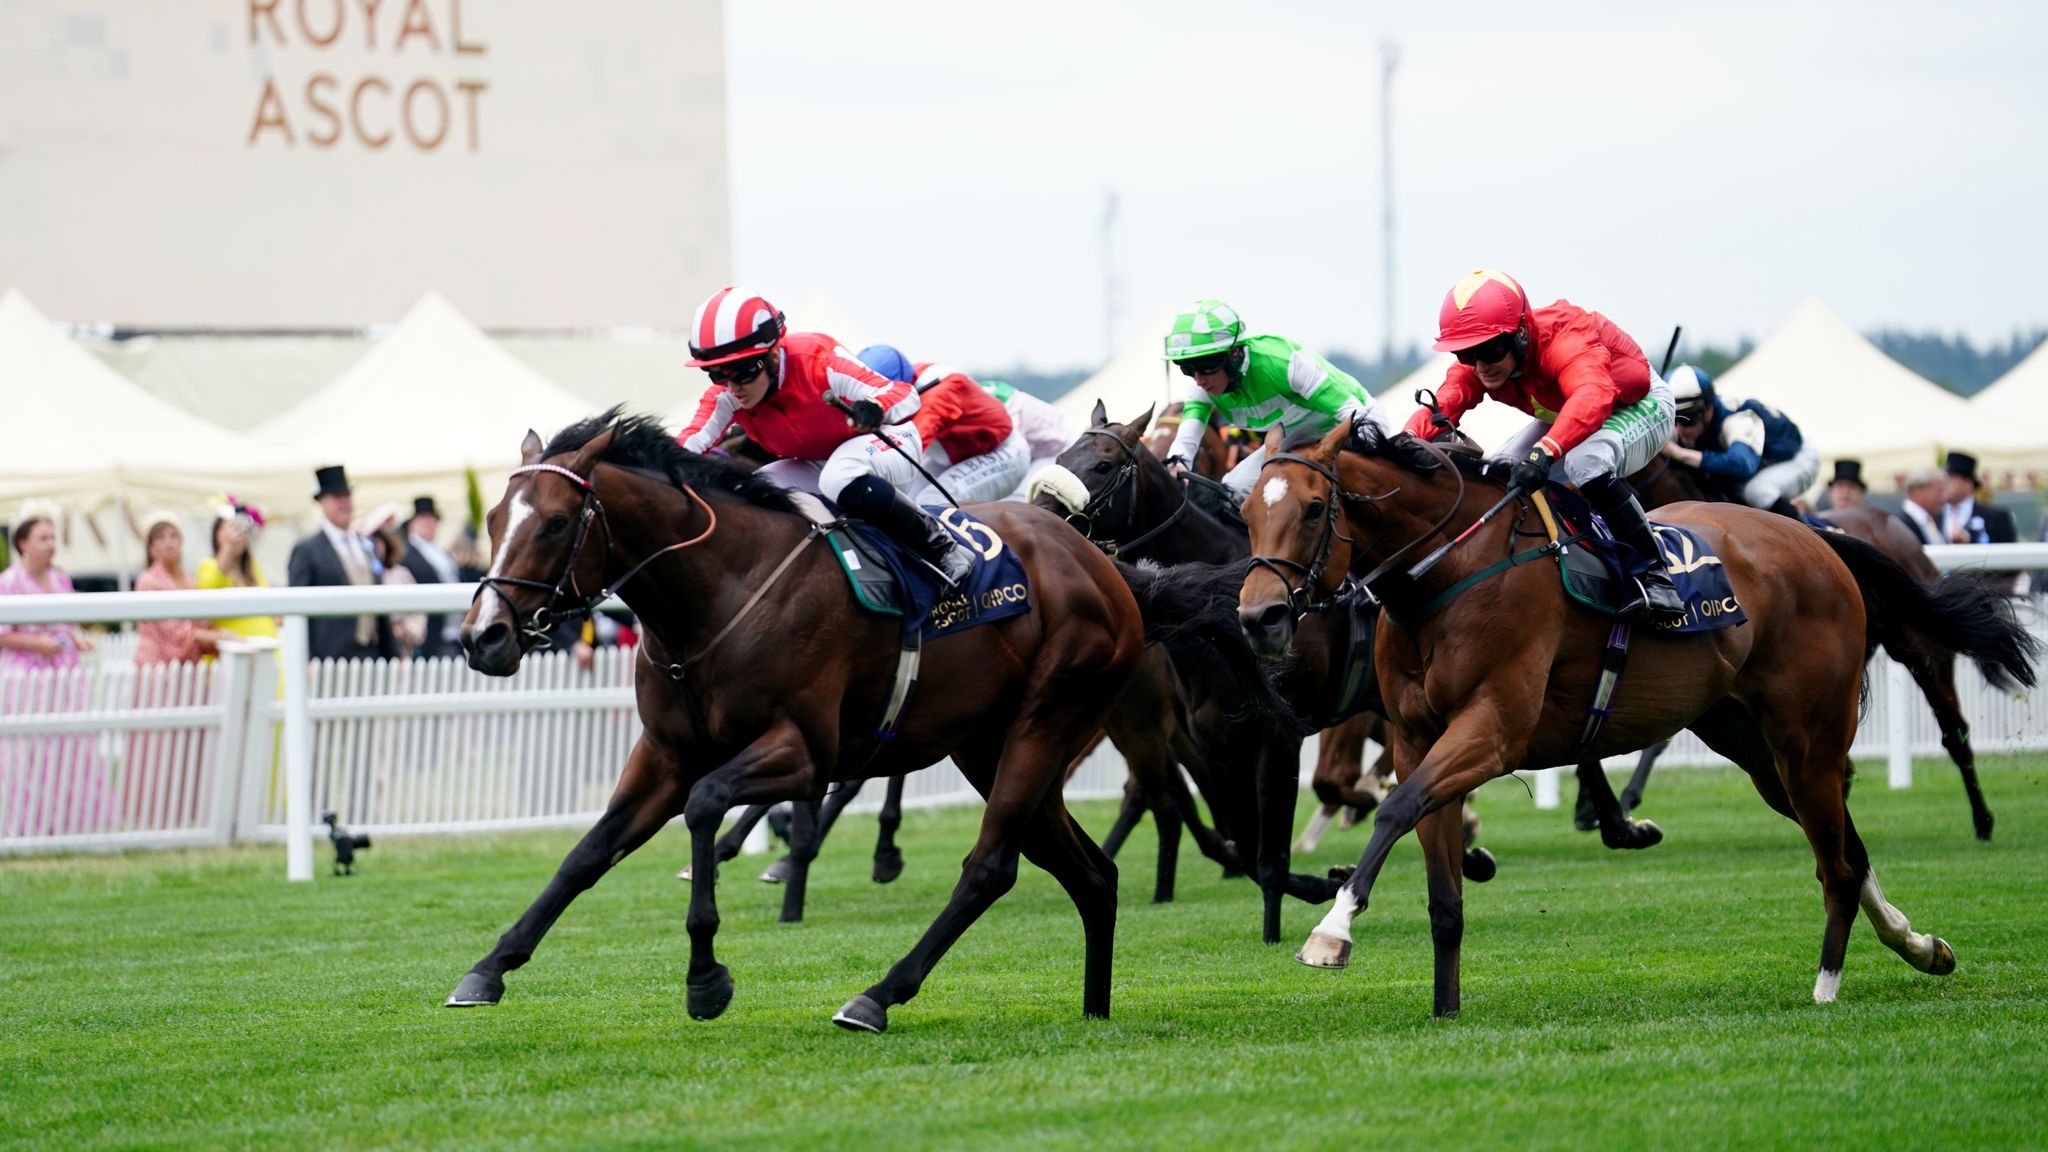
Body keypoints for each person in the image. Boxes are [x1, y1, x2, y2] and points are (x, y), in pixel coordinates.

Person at [1402, 268, 1684, 622]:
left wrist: (1546, 451)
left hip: (1638, 404)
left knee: (1586, 463)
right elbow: (1446, 402)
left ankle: (1656, 574)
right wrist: (1404, 441)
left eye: (1489, 349)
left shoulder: (1566, 338)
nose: (1480, 365)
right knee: (1501, 470)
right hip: (1565, 408)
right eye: (1466, 354)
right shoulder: (1481, 364)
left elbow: (1591, 396)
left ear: (1521, 334)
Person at [676, 287, 972, 586]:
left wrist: (876, 407)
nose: (732, 387)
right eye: (716, 374)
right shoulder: (726, 397)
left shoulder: (819, 361)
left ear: (774, 354)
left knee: (838, 477)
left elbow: (905, 394)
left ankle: (943, 547)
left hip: (889, 446)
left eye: (742, 371)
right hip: (822, 463)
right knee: (757, 488)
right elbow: (688, 443)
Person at [1160, 299, 1381, 502]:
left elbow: (1354, 413)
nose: (1199, 379)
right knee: (1231, 491)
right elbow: (1184, 444)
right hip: (1296, 437)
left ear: (1235, 353)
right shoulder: (1202, 387)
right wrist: (1176, 465)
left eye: (1206, 364)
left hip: (1355, 423)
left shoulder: (1282, 364)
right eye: (1187, 368)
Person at [0, 508, 102, 836]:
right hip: (25, 677)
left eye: (53, 537)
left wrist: (76, 639)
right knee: (30, 751)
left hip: (63, 674)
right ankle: (28, 822)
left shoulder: (60, 579)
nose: (50, 544)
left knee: (69, 745)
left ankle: (69, 821)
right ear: (23, 543)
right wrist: (34, 642)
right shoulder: (9, 582)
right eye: (43, 538)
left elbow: (66, 622)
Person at [855, 345, 1027, 504]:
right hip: (952, 458)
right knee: (906, 500)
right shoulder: (904, 378)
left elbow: (912, 444)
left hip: (1002, 452)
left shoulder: (937, 395)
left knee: (931, 501)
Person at [1658, 366, 1820, 518]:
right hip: (1760, 465)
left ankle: (1807, 537)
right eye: (1674, 419)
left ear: (1708, 409)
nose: (1678, 430)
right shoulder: (1690, 424)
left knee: (1756, 492)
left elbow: (1742, 465)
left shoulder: (1737, 419)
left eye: (1688, 418)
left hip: (1797, 459)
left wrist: (1680, 453)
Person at [286, 465, 395, 661]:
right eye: (337, 497)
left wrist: (392, 652)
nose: (344, 502)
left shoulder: (365, 544)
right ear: (322, 503)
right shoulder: (307, 549)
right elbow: (298, 608)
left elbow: (380, 599)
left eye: (347, 495)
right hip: (329, 655)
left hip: (373, 651)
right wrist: (306, 657)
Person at [133, 512, 228, 666]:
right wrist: (217, 637)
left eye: (173, 536)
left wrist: (217, 634)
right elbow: (174, 631)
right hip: (157, 666)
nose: (168, 542)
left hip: (188, 667)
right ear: (151, 547)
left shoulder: (189, 579)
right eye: (160, 538)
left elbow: (201, 621)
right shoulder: (148, 581)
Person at [197, 497, 278, 645]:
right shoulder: (208, 565)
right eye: (230, 528)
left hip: (266, 647)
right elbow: (211, 587)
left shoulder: (252, 568)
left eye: (241, 529)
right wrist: (228, 547)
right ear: (217, 534)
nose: (238, 535)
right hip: (236, 651)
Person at [975, 377, 1075, 496]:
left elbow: (1007, 456)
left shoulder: (1001, 407)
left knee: (1017, 496)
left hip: (1059, 451)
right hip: (1035, 451)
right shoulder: (985, 394)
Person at [364, 505, 428, 660]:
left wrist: (405, 630)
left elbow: (417, 613)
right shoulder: (361, 575)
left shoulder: (400, 574)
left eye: (380, 541)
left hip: (401, 653)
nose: (376, 547)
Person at [402, 496, 462, 658]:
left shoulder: (441, 551)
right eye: (423, 519)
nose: (429, 523)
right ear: (413, 523)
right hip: (429, 632)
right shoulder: (407, 553)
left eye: (432, 519)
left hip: (452, 631)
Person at [1940, 451, 2017, 545]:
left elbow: (2007, 554)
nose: (1944, 483)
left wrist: (1970, 543)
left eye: (1951, 478)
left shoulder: (1996, 518)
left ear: (1968, 484)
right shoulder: (1934, 515)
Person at [1898, 467, 1947, 547]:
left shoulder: (1931, 520)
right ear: (1918, 490)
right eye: (1939, 491)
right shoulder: (1902, 525)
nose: (1944, 498)